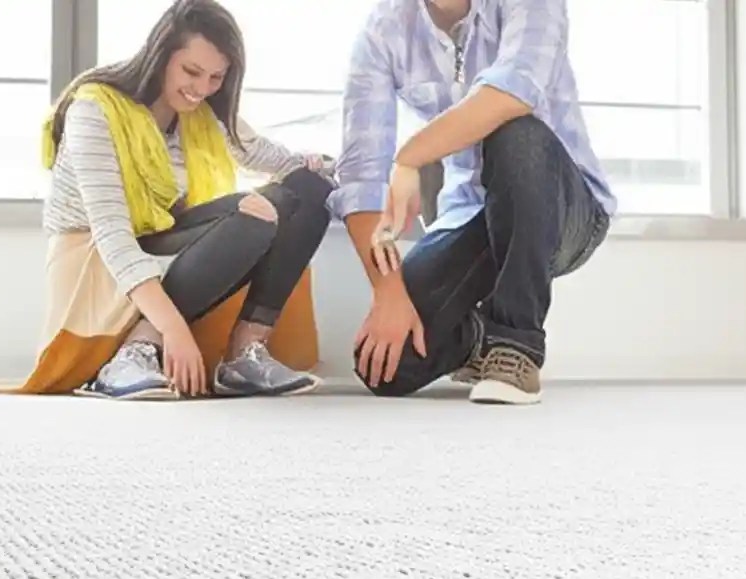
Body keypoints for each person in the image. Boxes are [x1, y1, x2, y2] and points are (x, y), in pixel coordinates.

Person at [42, 0, 335, 400]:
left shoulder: (201, 112)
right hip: (97, 261)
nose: (201, 88)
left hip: (158, 239)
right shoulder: (93, 110)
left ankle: (245, 354)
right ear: (160, 55)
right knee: (251, 216)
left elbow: (272, 158)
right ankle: (135, 351)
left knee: (308, 190)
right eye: (191, 72)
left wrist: (327, 165)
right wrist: (172, 329)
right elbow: (112, 234)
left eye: (216, 77)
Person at [329, 0, 617, 405]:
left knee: (516, 134)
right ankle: (483, 341)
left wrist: (409, 157)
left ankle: (517, 346)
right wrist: (387, 292)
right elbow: (361, 174)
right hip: (472, 215)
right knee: (387, 363)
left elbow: (512, 93)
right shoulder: (384, 30)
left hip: (563, 208)